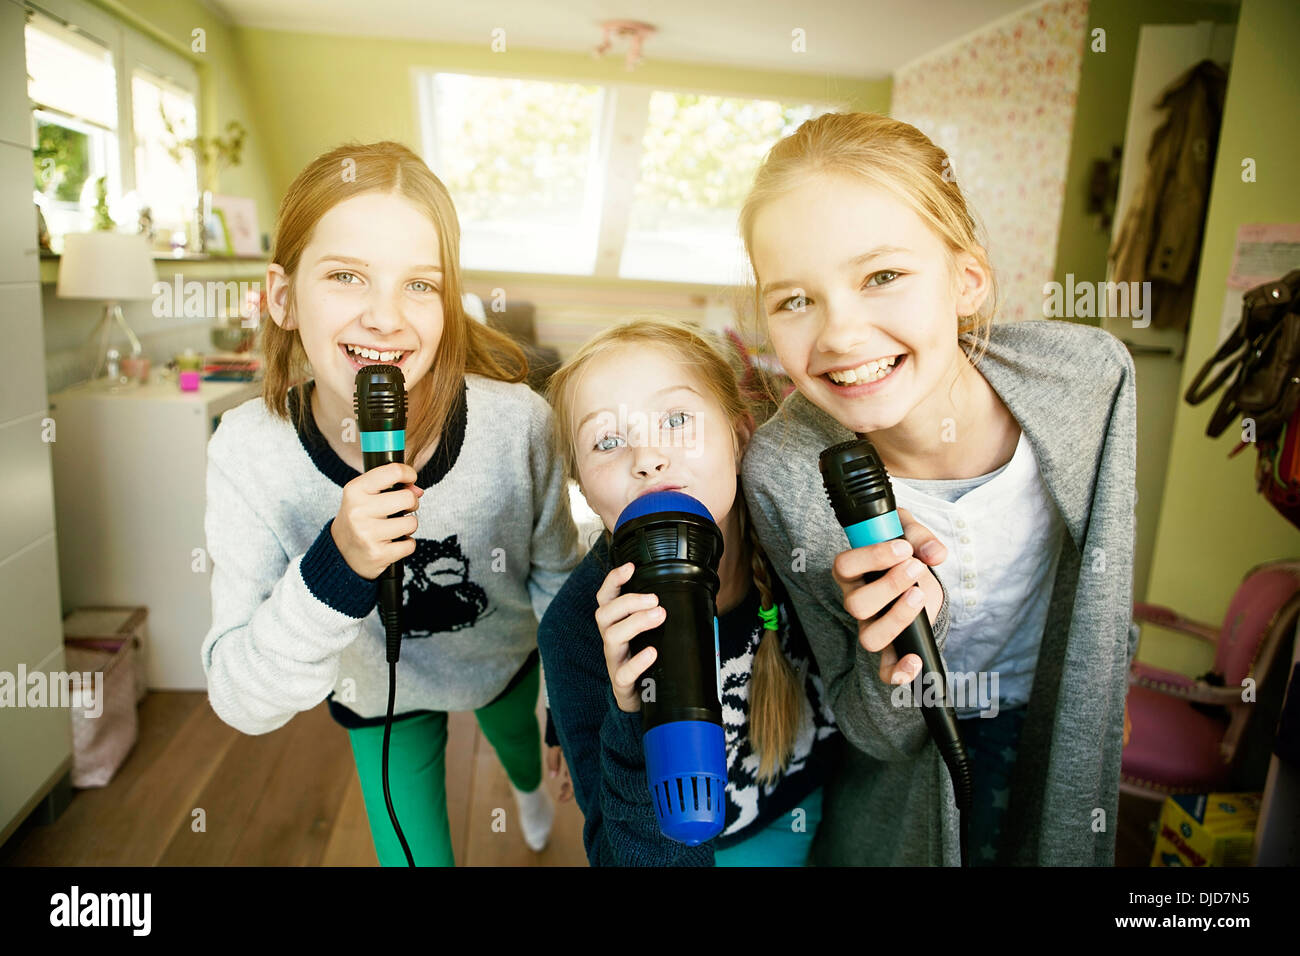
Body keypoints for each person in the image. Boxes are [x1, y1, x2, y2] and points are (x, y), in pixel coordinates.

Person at [737, 112, 1138, 865]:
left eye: (882, 276)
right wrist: (888, 650)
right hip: (900, 789)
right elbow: (869, 726)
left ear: (967, 279)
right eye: (795, 299)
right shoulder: (786, 472)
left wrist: (1110, 678)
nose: (842, 335)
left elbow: (1107, 565)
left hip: (1051, 728)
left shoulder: (1090, 383)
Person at [200, 140, 583, 866]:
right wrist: (335, 567)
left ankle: (527, 790)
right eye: (347, 276)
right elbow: (243, 700)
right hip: (377, 694)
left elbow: (561, 577)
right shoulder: (247, 450)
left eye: (419, 285)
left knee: (521, 752)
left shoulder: (518, 425)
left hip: (500, 662)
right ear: (281, 297)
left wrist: (569, 708)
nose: (385, 318)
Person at [538, 317, 840, 865]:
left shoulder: (801, 547)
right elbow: (620, 852)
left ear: (740, 438)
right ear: (583, 487)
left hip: (809, 807)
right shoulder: (572, 631)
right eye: (607, 440)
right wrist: (631, 718)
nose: (647, 458)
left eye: (676, 419)